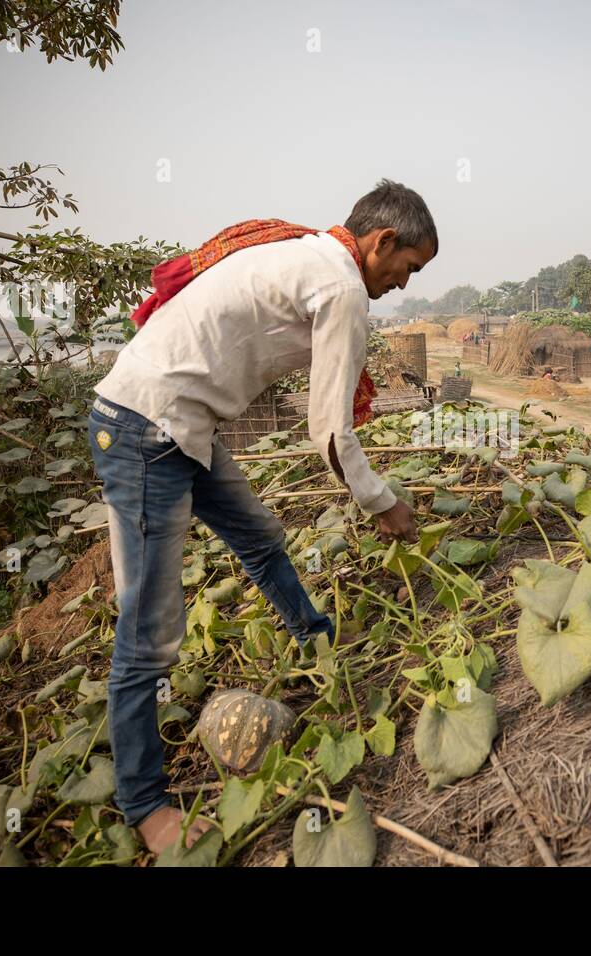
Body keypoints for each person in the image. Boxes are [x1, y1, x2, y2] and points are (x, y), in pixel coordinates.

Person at [87, 179, 436, 855]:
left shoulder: (309, 254)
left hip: (178, 422)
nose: (402, 282)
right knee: (150, 629)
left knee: (258, 535)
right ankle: (142, 801)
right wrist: (384, 504)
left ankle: (314, 635)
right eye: (408, 267)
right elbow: (330, 434)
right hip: (144, 429)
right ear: (382, 242)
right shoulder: (338, 286)